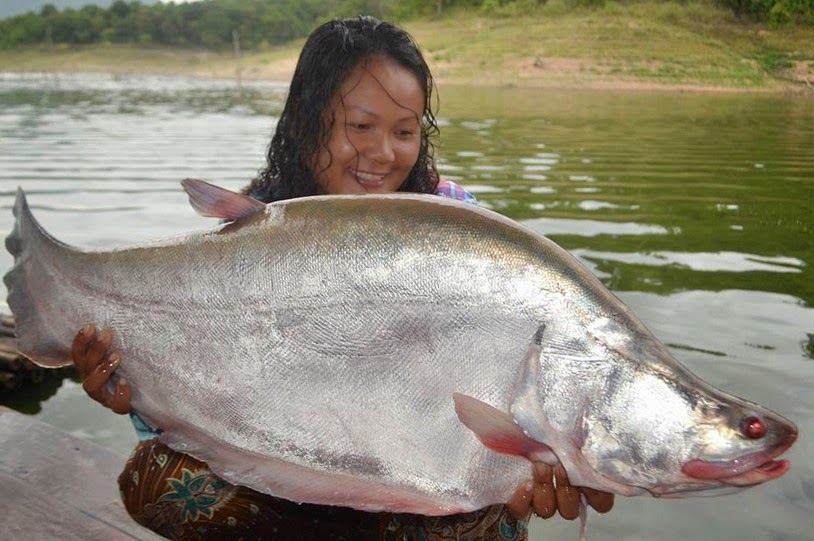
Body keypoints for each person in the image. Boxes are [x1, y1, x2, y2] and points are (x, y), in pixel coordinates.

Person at [72, 15, 613, 541]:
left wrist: (559, 458)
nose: (382, 154)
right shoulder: (257, 224)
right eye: (360, 127)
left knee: (499, 508)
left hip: (424, 476)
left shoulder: (457, 223)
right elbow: (197, 385)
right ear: (309, 122)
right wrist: (135, 389)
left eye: (404, 131)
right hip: (297, 469)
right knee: (159, 479)